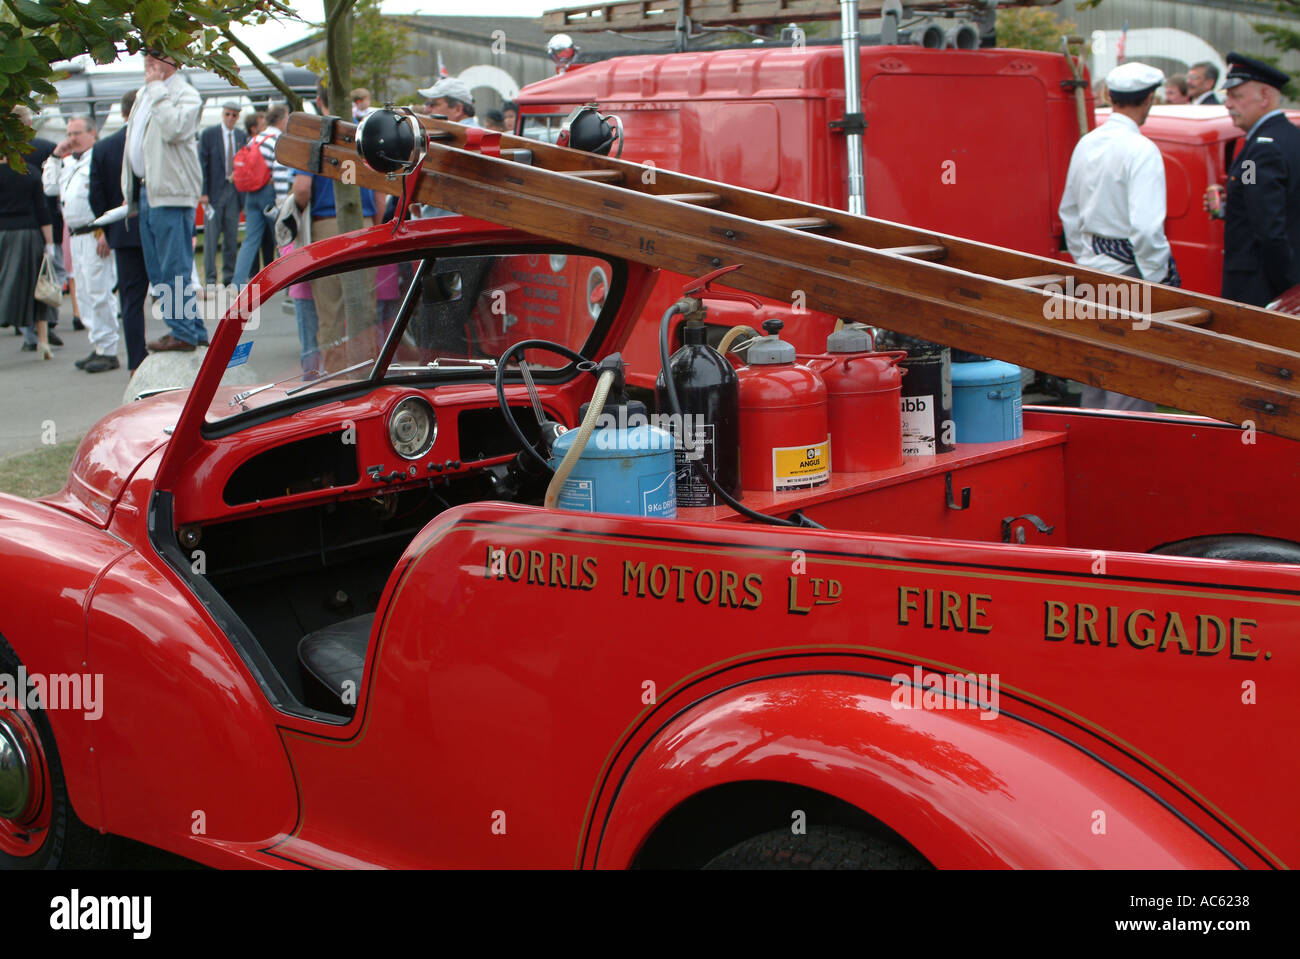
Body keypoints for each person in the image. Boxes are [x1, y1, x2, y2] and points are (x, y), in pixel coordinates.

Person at [1059, 61, 1179, 412]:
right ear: (1150, 99)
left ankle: (1094, 456)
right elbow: (1145, 229)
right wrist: (1159, 280)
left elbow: (1068, 212)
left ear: (1110, 96)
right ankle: (1132, 458)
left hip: (1092, 270)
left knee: (1094, 372)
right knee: (1132, 379)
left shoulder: (1086, 143)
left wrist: (1087, 258)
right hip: (1130, 275)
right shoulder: (1142, 151)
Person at [291, 84, 380, 372]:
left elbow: (302, 189)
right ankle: (366, 373)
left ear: (319, 101)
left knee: (330, 310)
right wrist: (375, 222)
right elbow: (382, 189)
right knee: (363, 305)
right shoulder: (366, 134)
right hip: (364, 224)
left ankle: (336, 379)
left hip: (326, 225)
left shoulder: (317, 136)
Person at [122, 50, 206, 353]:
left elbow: (174, 129)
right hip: (149, 190)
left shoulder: (184, 94)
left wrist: (157, 89)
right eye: (147, 54)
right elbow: (136, 143)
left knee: (173, 268)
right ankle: (192, 328)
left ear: (175, 60)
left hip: (171, 192)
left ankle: (183, 331)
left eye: (158, 55)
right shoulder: (146, 93)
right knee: (159, 270)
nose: (149, 60)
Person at [1204, 53, 1300, 308]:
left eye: (1237, 96)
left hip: (1260, 288)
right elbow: (1254, 197)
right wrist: (1230, 205)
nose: (1228, 104)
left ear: (1265, 97)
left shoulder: (1261, 149)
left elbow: (1269, 228)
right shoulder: (1283, 137)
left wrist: (1286, 288)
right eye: (1228, 97)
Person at [43, 115, 121, 373]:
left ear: (92, 133)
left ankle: (108, 348)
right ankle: (98, 344)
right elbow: (50, 188)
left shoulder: (98, 159)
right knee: (85, 293)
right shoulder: (68, 163)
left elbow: (109, 195)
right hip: (75, 235)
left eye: (77, 133)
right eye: (69, 133)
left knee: (100, 290)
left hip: (94, 232)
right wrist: (55, 157)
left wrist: (106, 231)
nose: (71, 138)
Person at [89, 89, 149, 373]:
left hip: (123, 234)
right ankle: (178, 354)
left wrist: (108, 233)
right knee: (173, 294)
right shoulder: (152, 142)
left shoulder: (103, 148)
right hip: (155, 230)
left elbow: (96, 197)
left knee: (131, 301)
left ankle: (137, 362)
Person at [0, 112, 56, 360]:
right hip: (29, 234)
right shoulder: (32, 172)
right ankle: (43, 341)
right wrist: (50, 243)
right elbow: (43, 210)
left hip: (2, 234)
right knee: (37, 286)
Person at [231, 103, 293, 289]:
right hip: (268, 193)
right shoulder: (278, 140)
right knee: (281, 238)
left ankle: (237, 283)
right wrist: (282, 203)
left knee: (250, 239)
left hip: (251, 195)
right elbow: (280, 173)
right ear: (282, 120)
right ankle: (290, 283)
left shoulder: (256, 139)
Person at [199, 100, 247, 291]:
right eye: (227, 114)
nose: (230, 118)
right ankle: (210, 279)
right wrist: (203, 192)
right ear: (223, 114)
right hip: (214, 192)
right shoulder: (209, 135)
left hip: (234, 191)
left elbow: (245, 162)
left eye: (234, 115)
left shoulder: (241, 136)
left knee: (231, 235)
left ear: (238, 117)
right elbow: (202, 163)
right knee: (211, 238)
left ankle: (229, 277)